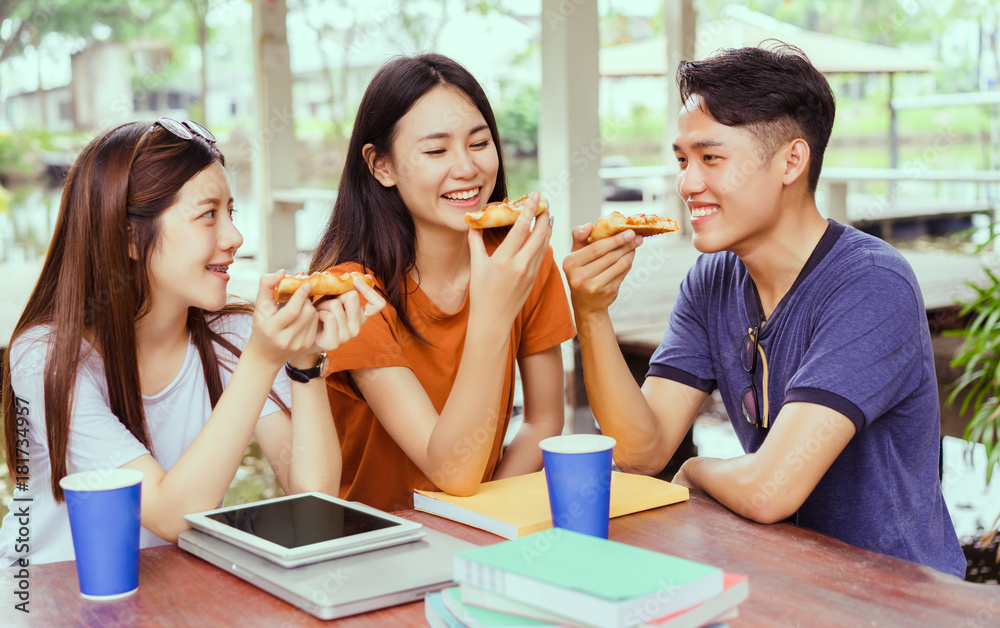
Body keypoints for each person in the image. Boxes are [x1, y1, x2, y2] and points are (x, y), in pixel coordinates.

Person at [562, 43, 966, 577]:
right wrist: (592, 314)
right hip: (785, 577)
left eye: (711, 158)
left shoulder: (871, 283)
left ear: (791, 161)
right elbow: (642, 452)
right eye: (682, 160)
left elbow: (771, 489)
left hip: (897, 598)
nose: (687, 184)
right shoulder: (712, 280)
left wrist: (697, 468)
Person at [0, 118, 385, 565]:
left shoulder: (231, 334)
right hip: (51, 597)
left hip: (178, 595)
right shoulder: (46, 357)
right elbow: (171, 516)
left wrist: (304, 360)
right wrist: (261, 360)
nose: (235, 237)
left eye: (231, 212)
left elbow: (314, 497)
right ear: (129, 236)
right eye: (208, 215)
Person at [309, 53, 576, 512]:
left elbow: (544, 422)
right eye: (436, 151)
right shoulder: (351, 294)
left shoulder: (520, 257)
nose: (467, 169)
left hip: (480, 530)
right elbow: (449, 468)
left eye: (479, 143)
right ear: (381, 166)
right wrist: (492, 315)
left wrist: (483, 520)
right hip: (373, 544)